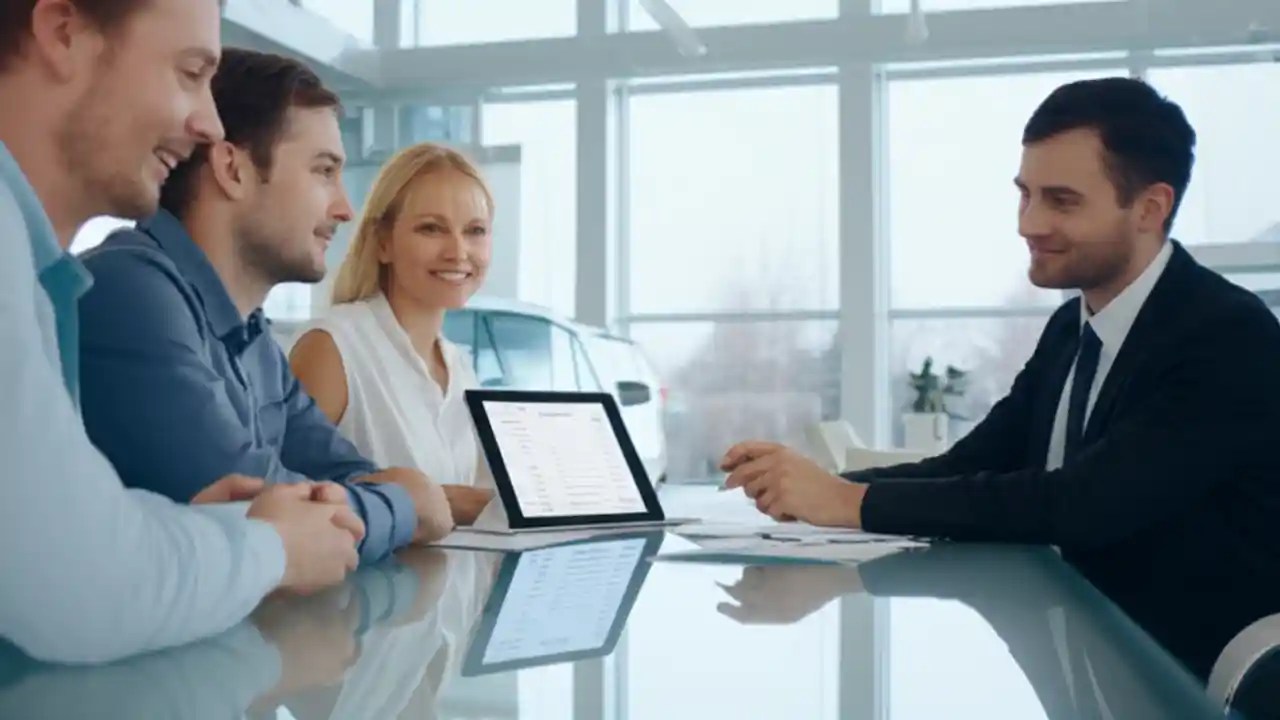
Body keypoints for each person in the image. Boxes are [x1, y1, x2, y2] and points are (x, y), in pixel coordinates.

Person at [721, 77, 1280, 597]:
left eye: (1061, 201)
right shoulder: (1071, 329)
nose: (1027, 224)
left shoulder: (1227, 335)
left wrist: (847, 501)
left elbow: (1083, 504)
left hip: (1183, 660)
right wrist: (817, 488)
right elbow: (970, 466)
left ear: (1149, 209)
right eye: (1025, 194)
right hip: (1071, 631)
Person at [0, 0, 367, 663]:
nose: (209, 126)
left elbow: (59, 534)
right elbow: (86, 587)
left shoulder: (32, 268)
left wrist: (208, 529)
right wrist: (271, 547)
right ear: (63, 33)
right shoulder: (113, 284)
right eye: (191, 72)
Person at [76, 48, 455, 563]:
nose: (345, 208)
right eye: (324, 171)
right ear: (232, 169)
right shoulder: (128, 294)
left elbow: (349, 476)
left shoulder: (252, 332)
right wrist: (405, 505)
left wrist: (388, 499)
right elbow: (264, 518)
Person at [289, 143, 497, 526]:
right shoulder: (333, 347)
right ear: (383, 242)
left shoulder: (460, 369)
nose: (458, 251)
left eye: (475, 231)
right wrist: (442, 502)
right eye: (431, 228)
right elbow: (286, 499)